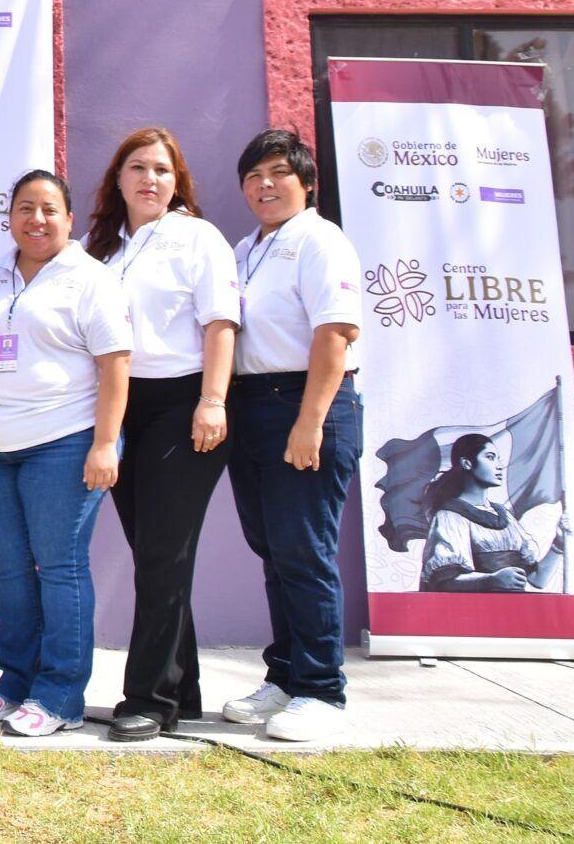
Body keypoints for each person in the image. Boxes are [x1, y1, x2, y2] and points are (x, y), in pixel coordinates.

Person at [82, 127, 240, 741]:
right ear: (117, 178)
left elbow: (221, 324)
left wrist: (212, 401)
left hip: (185, 402)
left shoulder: (197, 238)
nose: (150, 179)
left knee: (164, 553)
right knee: (156, 553)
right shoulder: (105, 250)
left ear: (178, 183)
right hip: (124, 409)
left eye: (163, 170)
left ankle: (148, 697)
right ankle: (185, 689)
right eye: (138, 168)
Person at [0, 169, 130, 738]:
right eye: (26, 208)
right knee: (8, 570)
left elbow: (115, 365)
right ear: (9, 217)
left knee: (59, 569)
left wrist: (106, 443)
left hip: (65, 441)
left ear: (69, 218)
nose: (37, 219)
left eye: (49, 209)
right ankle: (15, 680)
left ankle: (60, 695)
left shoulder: (90, 278)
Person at [220, 129, 363, 743]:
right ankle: (285, 677)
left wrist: (309, 423)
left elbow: (335, 334)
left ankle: (322, 690)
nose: (265, 185)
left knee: (304, 552)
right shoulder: (246, 248)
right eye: (253, 177)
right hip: (251, 406)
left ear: (307, 183)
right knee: (274, 552)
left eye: (278, 173)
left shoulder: (320, 240)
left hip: (304, 403)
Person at [418, 434, 567, 592]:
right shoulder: (450, 516)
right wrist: (491, 580)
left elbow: (538, 580)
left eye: (498, 459)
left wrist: (558, 543)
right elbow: (444, 582)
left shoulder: (505, 516)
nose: (499, 465)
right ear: (467, 463)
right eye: (490, 457)